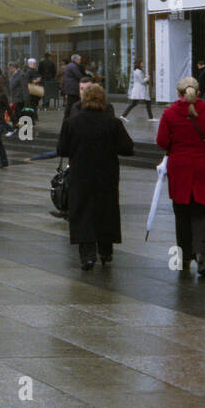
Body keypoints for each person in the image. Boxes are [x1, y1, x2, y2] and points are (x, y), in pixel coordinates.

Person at [56, 83, 135, 270]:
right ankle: (106, 251)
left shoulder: (72, 123)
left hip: (81, 175)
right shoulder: (113, 123)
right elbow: (128, 148)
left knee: (82, 211)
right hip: (106, 175)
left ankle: (87, 255)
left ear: (84, 99)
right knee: (106, 210)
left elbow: (62, 149)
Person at [157, 76, 205, 278]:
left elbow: (162, 141)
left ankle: (184, 256)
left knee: (181, 214)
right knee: (202, 213)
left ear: (178, 93)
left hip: (179, 169)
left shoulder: (169, 113)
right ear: (198, 93)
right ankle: (202, 253)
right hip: (203, 167)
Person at [61, 54, 84, 119]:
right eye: (79, 60)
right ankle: (68, 117)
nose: (80, 61)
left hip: (70, 88)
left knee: (71, 103)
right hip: (72, 88)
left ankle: (69, 117)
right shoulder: (73, 66)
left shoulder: (70, 65)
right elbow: (79, 76)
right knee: (71, 104)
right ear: (76, 60)